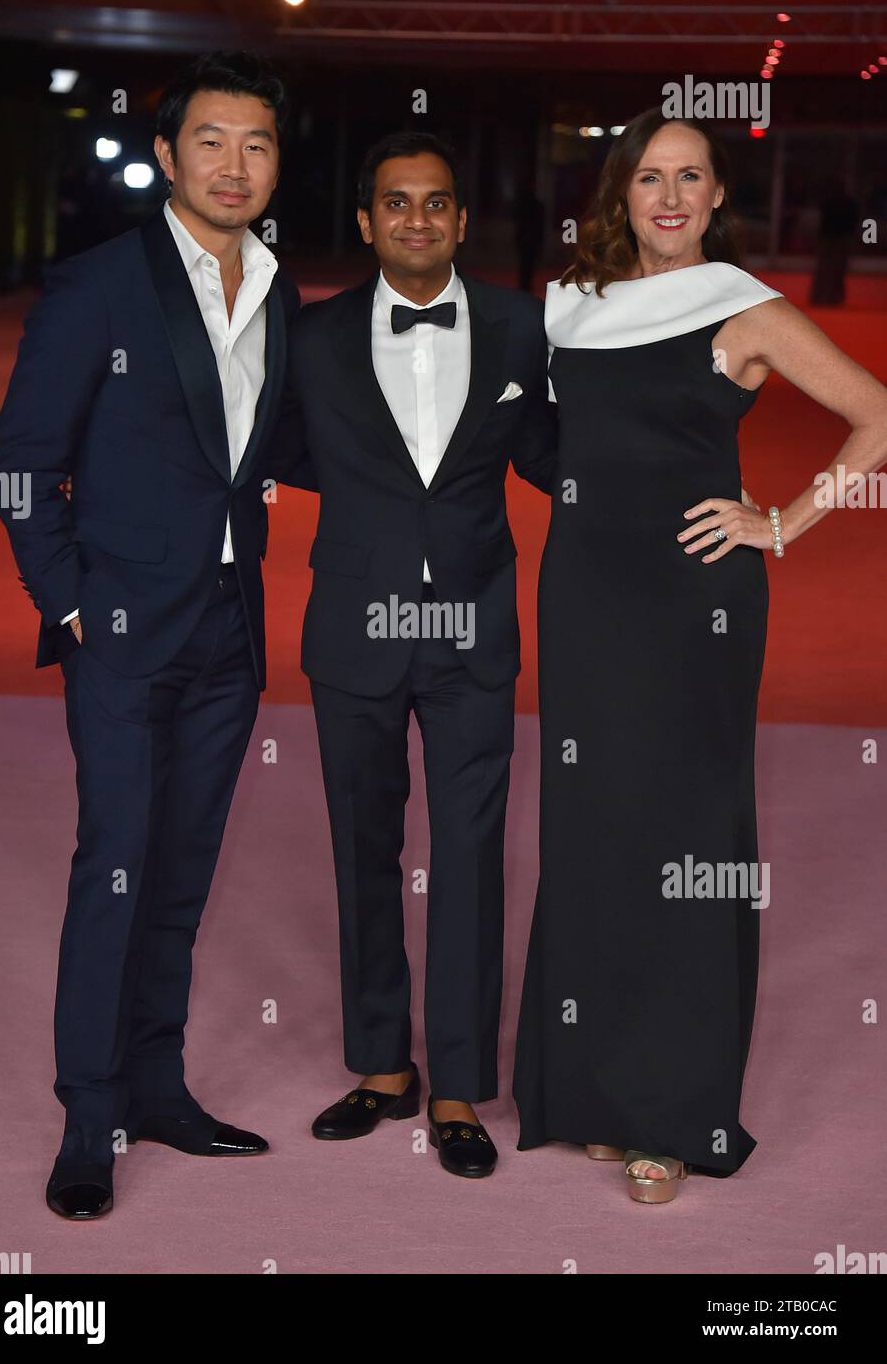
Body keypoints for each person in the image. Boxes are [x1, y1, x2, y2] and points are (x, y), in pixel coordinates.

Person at [513, 108, 887, 1203]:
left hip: (694, 606)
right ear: (621, 193)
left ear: (718, 196)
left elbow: (875, 416)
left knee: (680, 835)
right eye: (650, 178)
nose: (669, 196)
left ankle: (669, 1115)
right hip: (583, 597)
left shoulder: (745, 308)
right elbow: (554, 444)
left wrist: (780, 522)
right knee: (592, 830)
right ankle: (586, 1088)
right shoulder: (571, 310)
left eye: (691, 177)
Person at [0, 50, 313, 1219]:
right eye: (213, 143)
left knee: (181, 873)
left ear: (279, 164)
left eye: (258, 144)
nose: (236, 165)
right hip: (121, 629)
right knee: (114, 864)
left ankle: (159, 1085)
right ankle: (89, 1114)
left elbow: (280, 450)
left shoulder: (278, 289)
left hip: (232, 623)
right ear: (168, 155)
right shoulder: (100, 287)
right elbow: (21, 461)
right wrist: (69, 601)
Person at [283, 131, 558, 1177]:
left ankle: (453, 1083)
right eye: (395, 203)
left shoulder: (520, 327)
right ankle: (378, 1065)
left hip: (474, 629)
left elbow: (548, 452)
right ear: (366, 221)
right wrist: (373, 518)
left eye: (435, 202)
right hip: (352, 625)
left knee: (473, 855)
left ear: (460, 218)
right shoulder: (310, 339)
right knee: (362, 847)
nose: (416, 219)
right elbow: (279, 449)